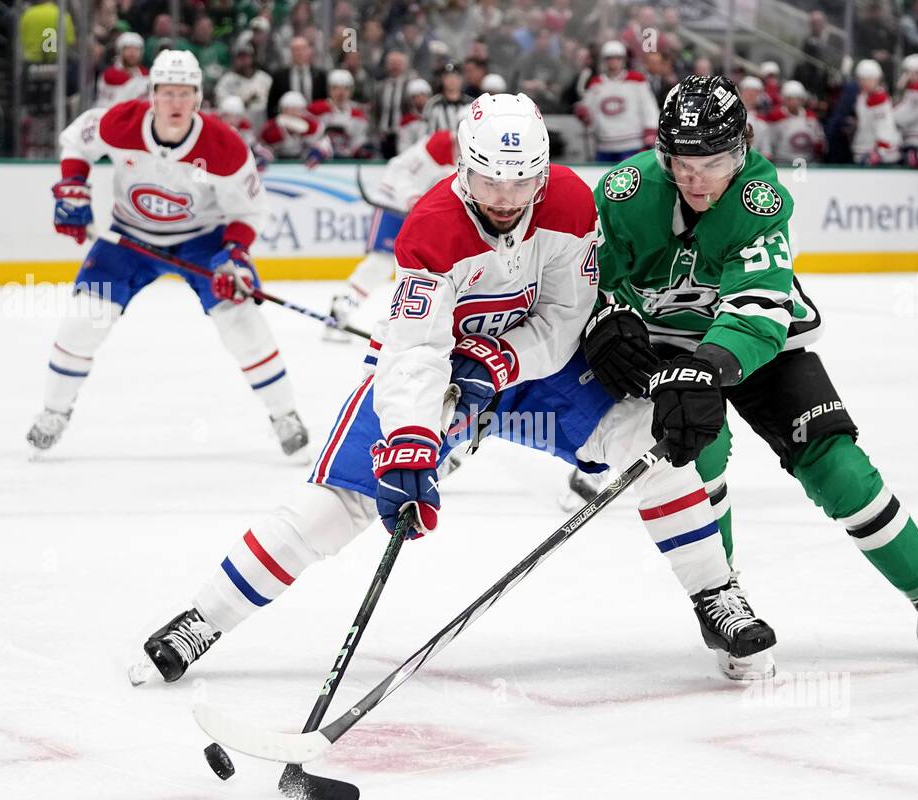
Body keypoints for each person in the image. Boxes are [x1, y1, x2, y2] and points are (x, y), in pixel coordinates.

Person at [131, 94, 767, 686]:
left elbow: (564, 319)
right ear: (465, 165)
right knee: (341, 504)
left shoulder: (571, 205)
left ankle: (716, 593)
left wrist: (500, 359)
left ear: (543, 172)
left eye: (521, 181)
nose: (505, 197)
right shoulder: (431, 227)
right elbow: (414, 351)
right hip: (440, 380)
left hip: (533, 376)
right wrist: (410, 439)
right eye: (490, 179)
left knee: (652, 441)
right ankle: (203, 619)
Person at [583, 75, 918, 666]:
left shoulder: (759, 199)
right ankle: (723, 601)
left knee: (838, 466)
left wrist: (708, 366)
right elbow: (585, 282)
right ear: (664, 154)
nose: (697, 179)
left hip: (760, 347)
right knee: (697, 457)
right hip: (664, 348)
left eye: (714, 162)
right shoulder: (625, 194)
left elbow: (757, 309)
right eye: (683, 163)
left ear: (741, 150)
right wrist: (604, 325)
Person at [27, 50, 309, 458]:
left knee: (242, 322)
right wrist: (73, 185)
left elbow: (247, 211)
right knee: (83, 321)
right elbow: (76, 139)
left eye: (185, 93)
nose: (176, 102)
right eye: (167, 92)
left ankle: (285, 415)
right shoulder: (121, 122)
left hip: (201, 240)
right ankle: (54, 411)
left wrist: (235, 254)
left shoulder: (224, 146)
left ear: (198, 98)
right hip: (129, 237)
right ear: (153, 94)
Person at [329, 128, 457, 331]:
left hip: (420, 213)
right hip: (395, 207)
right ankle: (343, 306)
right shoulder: (435, 148)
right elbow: (399, 169)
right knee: (382, 262)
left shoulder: (469, 155)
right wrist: (411, 197)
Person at [578, 40, 658, 163]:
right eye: (610, 58)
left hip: (632, 143)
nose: (614, 62)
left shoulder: (637, 80)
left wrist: (651, 130)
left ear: (623, 60)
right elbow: (588, 110)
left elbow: (649, 107)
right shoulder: (596, 84)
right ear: (604, 60)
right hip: (604, 144)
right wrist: (583, 112)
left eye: (617, 58)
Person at [306, 68, 370, 159]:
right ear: (329, 90)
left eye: (346, 88)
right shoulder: (316, 109)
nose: (341, 93)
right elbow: (308, 139)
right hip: (320, 161)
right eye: (336, 88)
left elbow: (357, 142)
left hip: (345, 163)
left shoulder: (358, 115)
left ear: (351, 91)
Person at [851, 58, 900, 164]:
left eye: (868, 79)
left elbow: (885, 127)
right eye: (861, 79)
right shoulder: (862, 97)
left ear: (877, 79)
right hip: (861, 149)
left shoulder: (879, 99)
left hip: (874, 154)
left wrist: (880, 152)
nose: (864, 83)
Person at [765, 79, 824, 166]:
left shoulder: (811, 117)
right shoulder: (775, 117)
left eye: (797, 98)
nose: (794, 102)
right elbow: (769, 143)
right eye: (790, 99)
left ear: (802, 100)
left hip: (807, 161)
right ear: (784, 99)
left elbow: (820, 140)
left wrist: (819, 145)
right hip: (782, 162)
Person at [258, 90, 319, 160]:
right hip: (278, 162)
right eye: (287, 109)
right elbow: (265, 146)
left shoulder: (311, 125)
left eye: (295, 109)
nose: (292, 113)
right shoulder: (271, 126)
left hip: (302, 161)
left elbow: (315, 144)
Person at [95, 32, 149, 108]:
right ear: (120, 51)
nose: (132, 53)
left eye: (136, 49)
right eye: (128, 49)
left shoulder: (146, 74)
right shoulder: (110, 75)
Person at [423, 61, 472, 135]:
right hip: (439, 145)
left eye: (455, 77)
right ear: (442, 79)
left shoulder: (471, 104)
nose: (452, 80)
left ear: (461, 79)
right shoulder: (433, 104)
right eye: (448, 77)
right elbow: (427, 132)